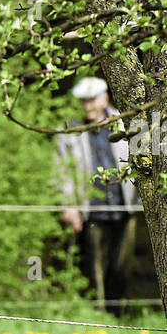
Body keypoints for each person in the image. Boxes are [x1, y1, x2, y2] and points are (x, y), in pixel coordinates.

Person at [55, 76, 138, 311]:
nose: (87, 105)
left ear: (104, 99)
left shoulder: (125, 122)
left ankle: (119, 314)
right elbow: (62, 171)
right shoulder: (69, 129)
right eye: (83, 100)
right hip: (91, 208)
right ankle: (97, 314)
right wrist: (68, 206)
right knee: (93, 267)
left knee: (122, 266)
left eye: (92, 100)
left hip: (125, 205)